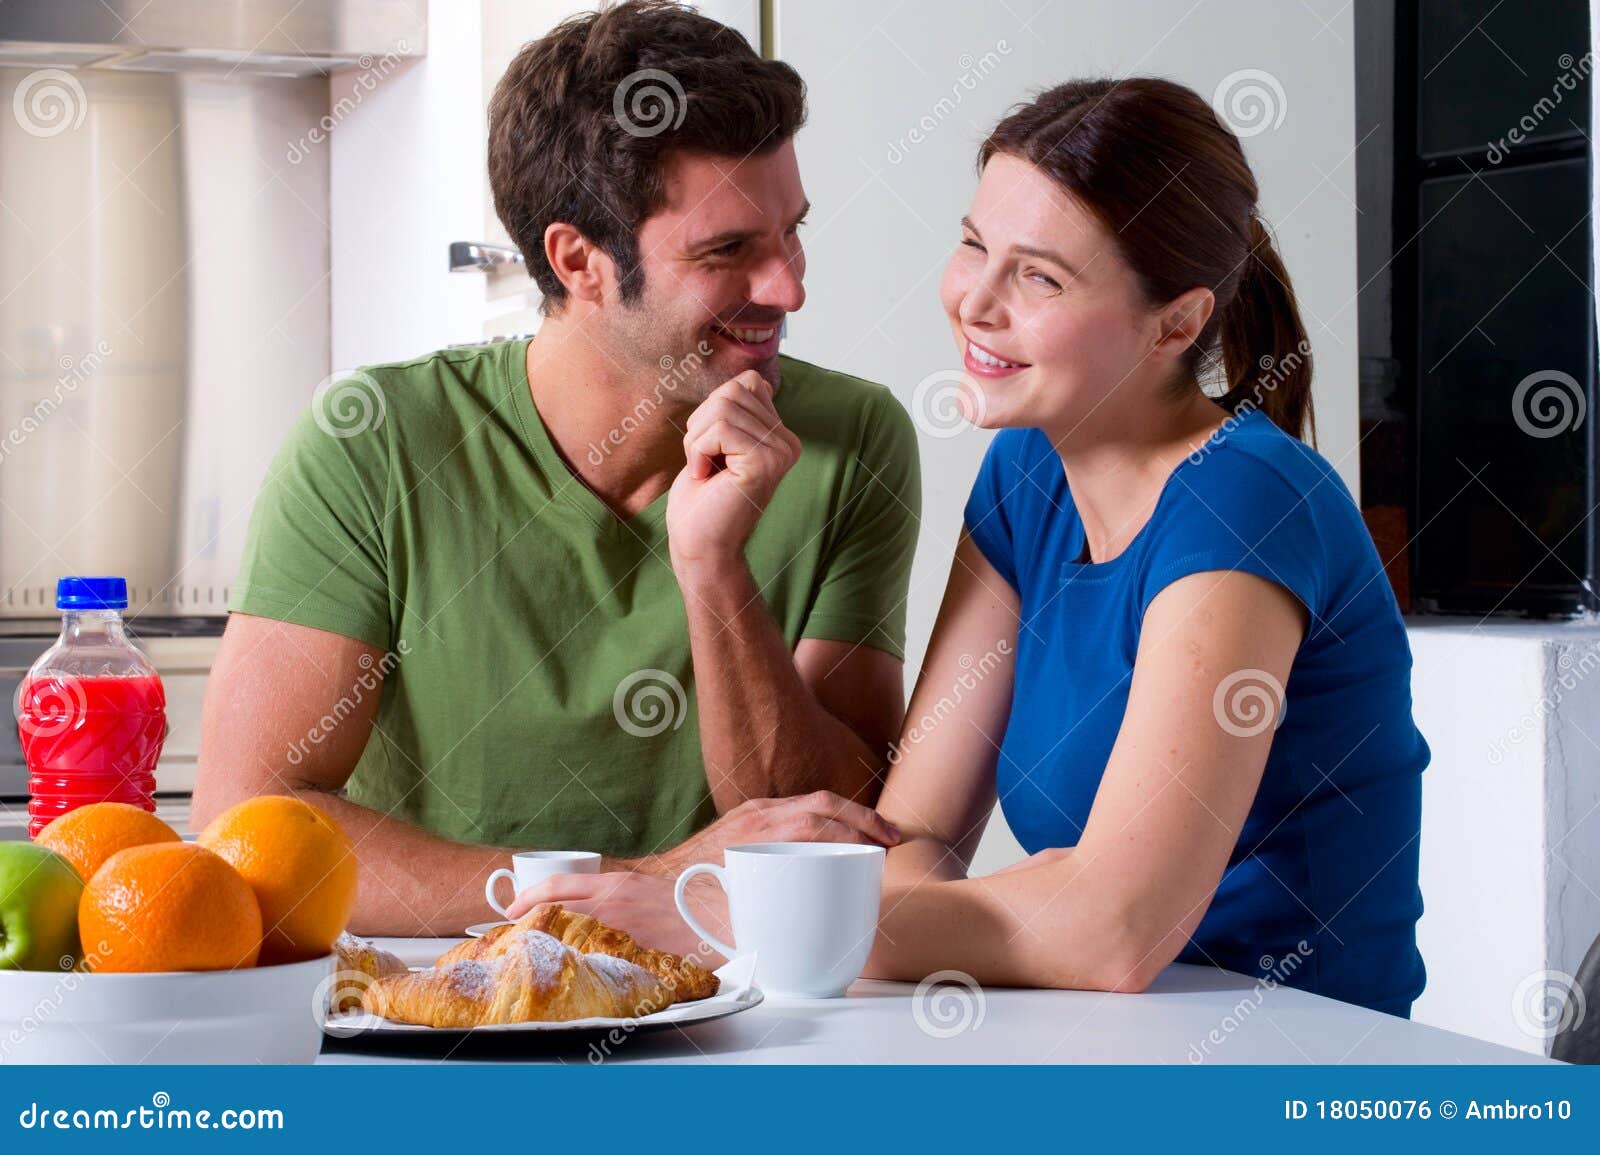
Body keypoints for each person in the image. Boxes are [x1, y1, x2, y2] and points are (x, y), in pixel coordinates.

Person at [536, 77, 1429, 1018]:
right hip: (1111, 1036)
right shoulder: (1027, 473)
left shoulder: (1245, 496)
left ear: (1177, 322)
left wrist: (745, 918)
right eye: (974, 246)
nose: (976, 303)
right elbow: (903, 838)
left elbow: (1117, 931)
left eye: (1040, 277)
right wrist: (1044, 903)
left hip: (1290, 1050)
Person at [192, 0, 917, 936]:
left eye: (791, 232)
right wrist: (638, 882)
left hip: (740, 1002)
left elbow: (831, 831)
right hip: (433, 1001)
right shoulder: (372, 443)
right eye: (729, 250)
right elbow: (243, 828)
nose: (790, 286)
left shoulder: (850, 440)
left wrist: (713, 568)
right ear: (579, 261)